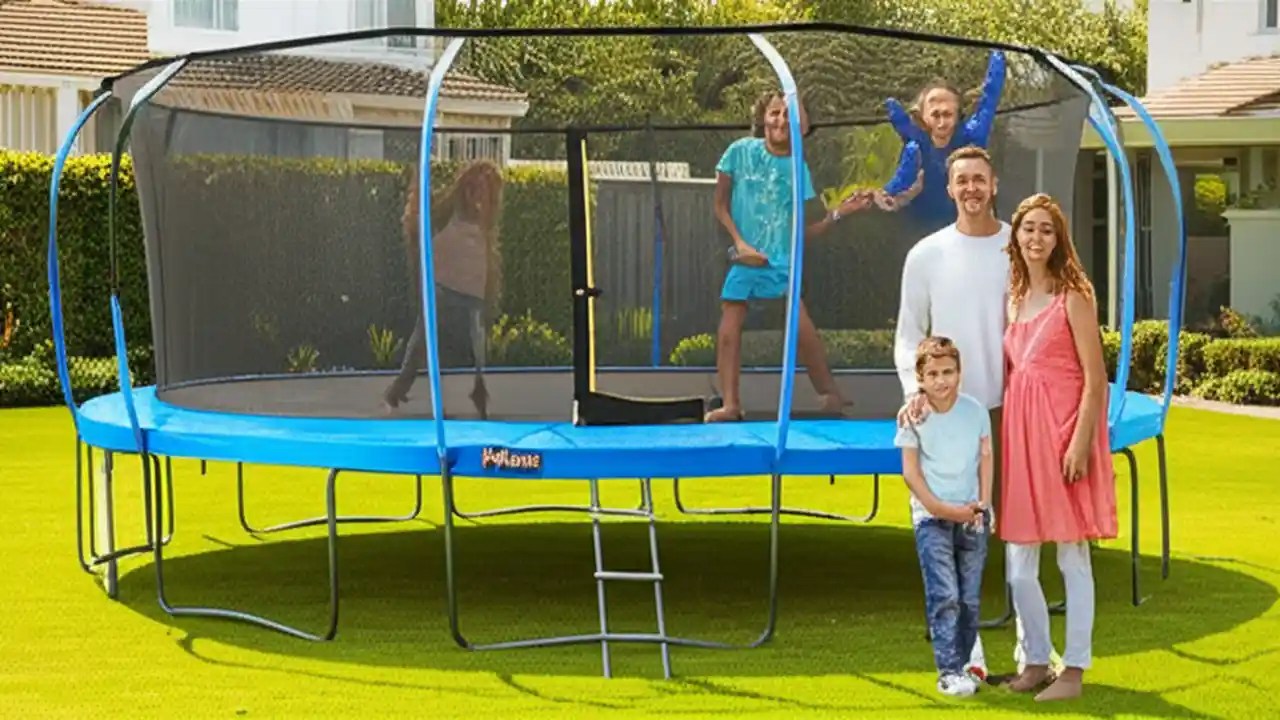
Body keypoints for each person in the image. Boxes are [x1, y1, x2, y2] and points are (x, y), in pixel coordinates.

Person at [893, 144, 1010, 680]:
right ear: (949, 187)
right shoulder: (926, 254)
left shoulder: (1020, 247)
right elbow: (907, 336)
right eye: (961, 179)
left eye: (979, 179)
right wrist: (913, 393)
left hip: (1008, 410)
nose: (971, 188)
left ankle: (1034, 649)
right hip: (943, 419)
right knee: (954, 541)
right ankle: (971, 652)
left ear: (994, 184)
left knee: (1011, 531)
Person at [999, 192, 1117, 701]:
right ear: (1017, 236)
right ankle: (1035, 661)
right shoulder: (1013, 296)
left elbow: (1096, 380)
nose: (1036, 238)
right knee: (1018, 560)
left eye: (1046, 230)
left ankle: (1074, 670)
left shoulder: (1075, 295)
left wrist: (1080, 442)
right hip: (1023, 439)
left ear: (1059, 238)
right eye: (1029, 229)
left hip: (1066, 435)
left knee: (1072, 556)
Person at [705, 90, 874, 422]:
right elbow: (720, 205)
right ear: (762, 118)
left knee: (802, 327)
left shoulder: (798, 170)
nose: (781, 120)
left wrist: (841, 213)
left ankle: (830, 394)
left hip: (780, 262)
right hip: (745, 259)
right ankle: (730, 404)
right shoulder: (738, 153)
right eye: (775, 113)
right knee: (728, 330)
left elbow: (803, 232)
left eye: (789, 115)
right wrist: (740, 243)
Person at [895, 336, 994, 698]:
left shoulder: (975, 411)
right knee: (945, 595)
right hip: (931, 518)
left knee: (969, 599)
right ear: (920, 378)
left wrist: (983, 503)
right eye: (933, 373)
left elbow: (986, 457)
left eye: (948, 372)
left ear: (960, 373)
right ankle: (948, 671)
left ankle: (968, 663)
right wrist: (940, 508)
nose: (942, 380)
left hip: (971, 517)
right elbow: (910, 473)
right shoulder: (913, 416)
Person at [383, 160, 504, 419]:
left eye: (485, 191)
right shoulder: (447, 211)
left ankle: (479, 391)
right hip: (442, 288)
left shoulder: (486, 218)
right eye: (475, 189)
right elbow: (417, 223)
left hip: (471, 292)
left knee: (477, 341)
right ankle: (400, 388)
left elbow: (486, 256)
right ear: (466, 189)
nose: (479, 196)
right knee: (424, 340)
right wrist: (417, 185)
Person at [876, 51, 1008, 237]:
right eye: (935, 115)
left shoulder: (971, 137)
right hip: (919, 228)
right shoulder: (915, 143)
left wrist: (997, 56)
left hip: (967, 227)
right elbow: (900, 181)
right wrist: (886, 192)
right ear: (922, 117)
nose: (941, 122)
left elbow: (989, 98)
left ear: (957, 115)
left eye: (947, 115)